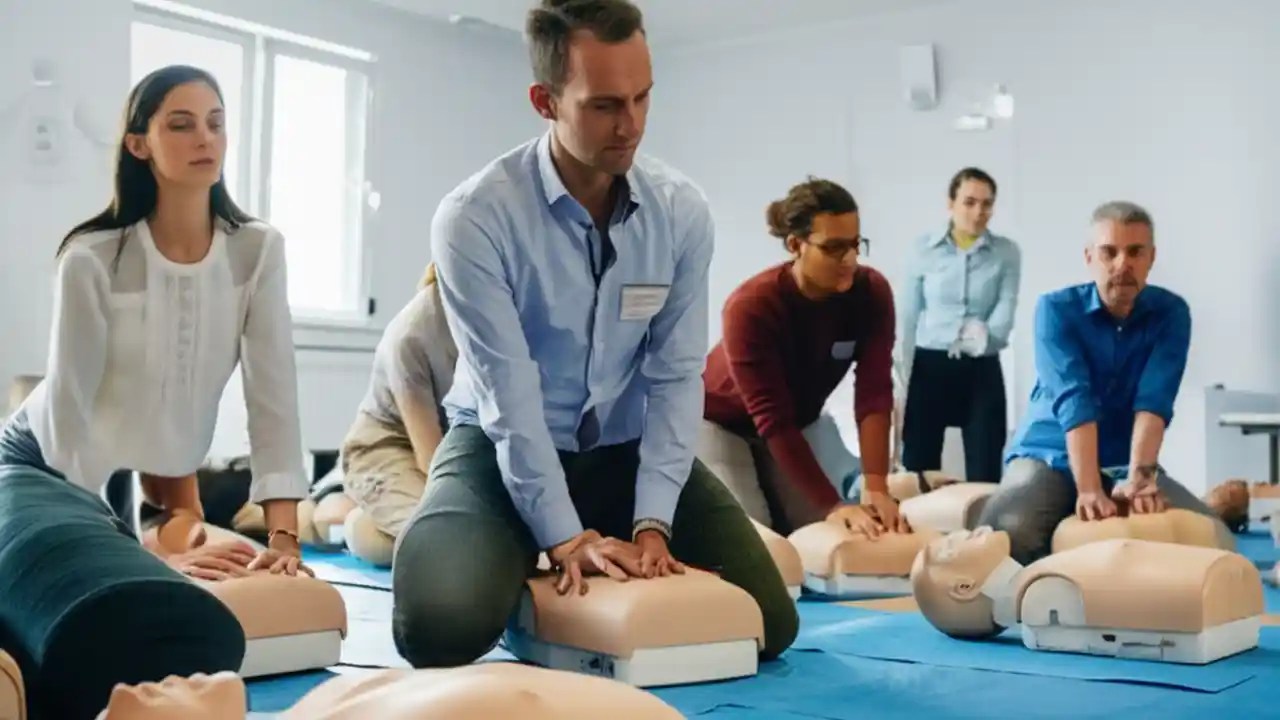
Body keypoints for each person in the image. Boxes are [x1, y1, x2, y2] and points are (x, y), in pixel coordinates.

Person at [391, 0, 798, 668]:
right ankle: (517, 565)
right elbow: (508, 394)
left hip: (622, 452)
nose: (631, 125)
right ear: (544, 100)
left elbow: (673, 377)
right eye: (605, 104)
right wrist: (561, 535)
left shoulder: (681, 212)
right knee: (438, 625)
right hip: (497, 448)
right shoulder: (475, 218)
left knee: (765, 625)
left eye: (643, 98)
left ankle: (562, 547)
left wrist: (653, 523)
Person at [0, 64, 311, 578]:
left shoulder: (258, 251)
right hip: (43, 466)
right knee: (122, 584)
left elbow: (274, 400)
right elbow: (68, 429)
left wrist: (284, 539)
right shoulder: (92, 259)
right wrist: (139, 549)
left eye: (216, 122)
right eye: (181, 124)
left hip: (158, 471)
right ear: (139, 144)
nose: (205, 138)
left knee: (200, 550)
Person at [977, 201, 1227, 565]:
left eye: (1135, 252)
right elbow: (1074, 401)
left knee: (1214, 540)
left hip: (1123, 464)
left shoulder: (1171, 313)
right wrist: (1089, 489)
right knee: (1008, 531)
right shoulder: (1055, 309)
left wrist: (1141, 478)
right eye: (1109, 252)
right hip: (1048, 455)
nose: (1122, 264)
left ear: (1151, 258)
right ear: (1089, 257)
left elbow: (1154, 401)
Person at [699, 177, 905, 537]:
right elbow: (771, 418)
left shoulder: (871, 293)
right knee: (756, 537)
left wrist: (877, 486)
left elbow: (874, 392)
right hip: (720, 422)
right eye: (834, 248)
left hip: (796, 422)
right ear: (796, 245)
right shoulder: (751, 307)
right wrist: (832, 505)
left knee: (821, 532)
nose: (849, 260)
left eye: (856, 245)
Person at [897, 168, 1021, 483]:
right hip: (931, 366)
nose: (979, 212)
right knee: (918, 467)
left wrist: (983, 338)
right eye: (969, 202)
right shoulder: (922, 249)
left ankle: (984, 530)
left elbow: (1005, 311)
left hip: (982, 366)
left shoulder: (1006, 253)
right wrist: (901, 377)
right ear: (950, 203)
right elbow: (908, 316)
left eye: (987, 204)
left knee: (986, 466)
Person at [338, 261, 457, 561]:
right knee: (453, 544)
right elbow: (430, 459)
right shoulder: (410, 336)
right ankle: (350, 522)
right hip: (387, 447)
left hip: (454, 448)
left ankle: (367, 519)